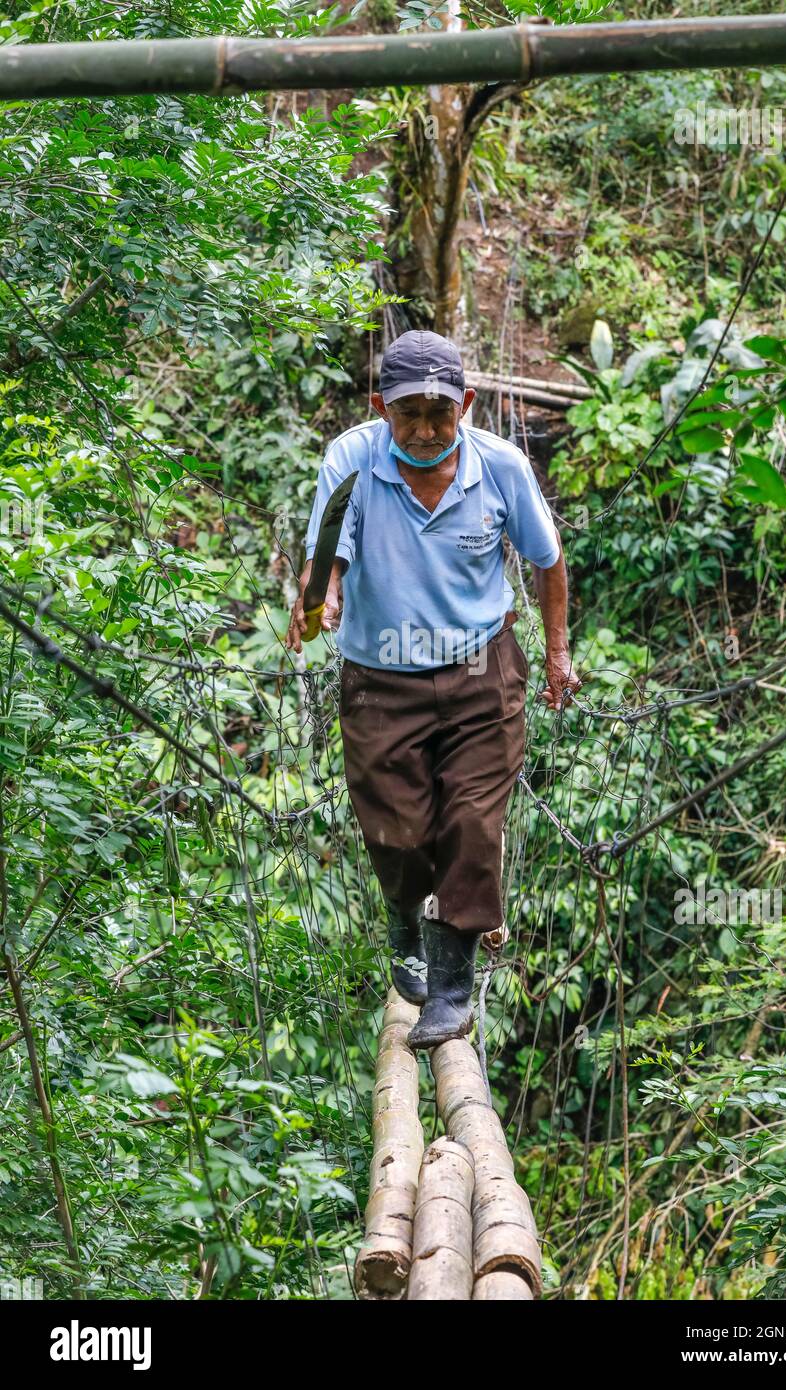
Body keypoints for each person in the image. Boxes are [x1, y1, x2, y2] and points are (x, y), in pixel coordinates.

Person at [289, 330, 580, 1050]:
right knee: (397, 832)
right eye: (407, 414)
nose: (423, 431)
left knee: (473, 826)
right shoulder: (351, 462)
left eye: (439, 415)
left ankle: (451, 989)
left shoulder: (503, 468)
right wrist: (320, 598)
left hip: (482, 673)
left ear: (467, 406)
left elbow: (547, 562)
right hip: (380, 679)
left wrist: (557, 654)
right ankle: (404, 914)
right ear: (380, 406)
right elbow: (328, 556)